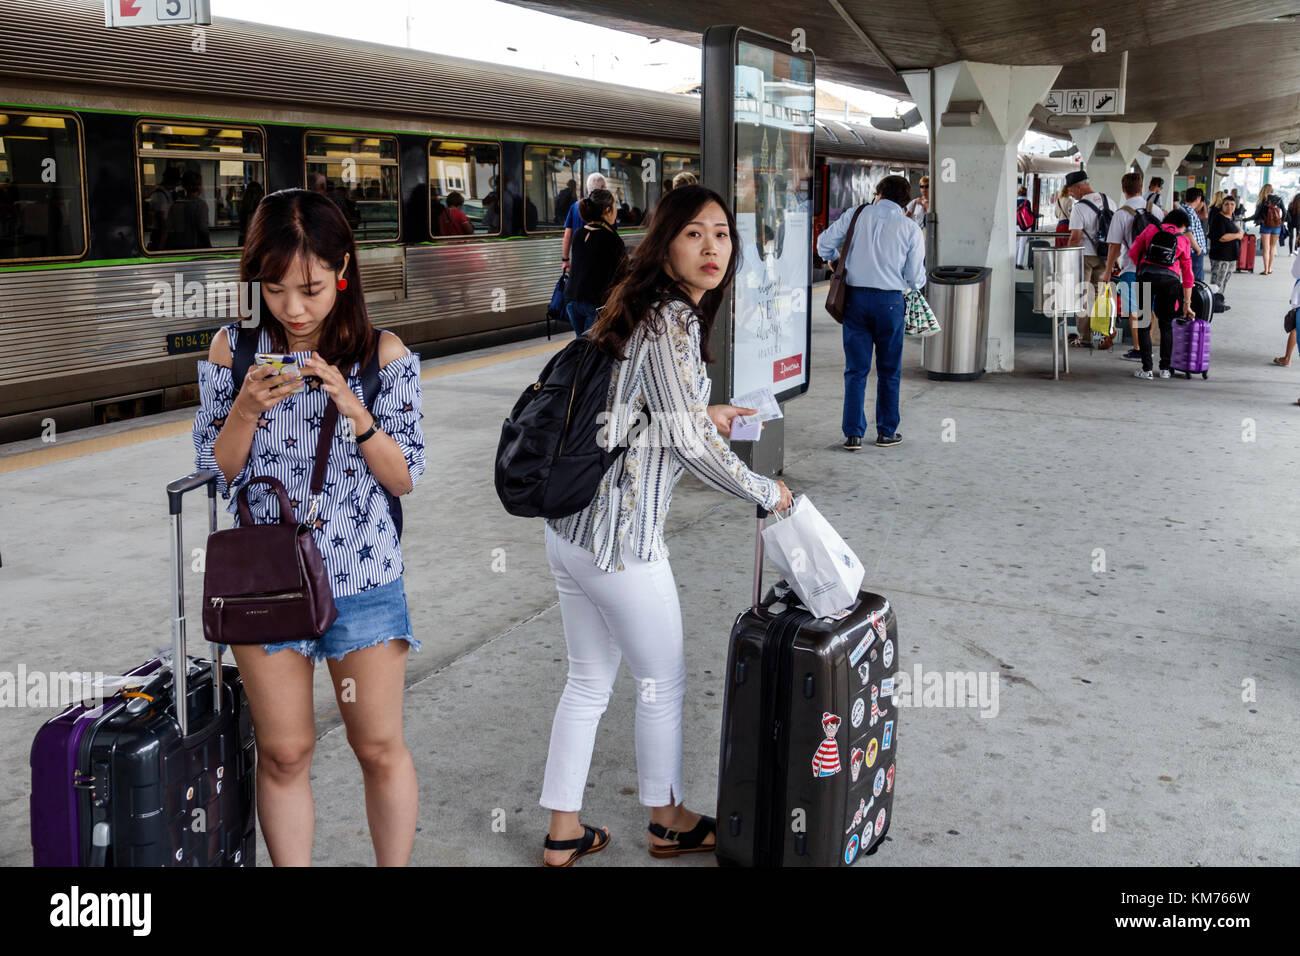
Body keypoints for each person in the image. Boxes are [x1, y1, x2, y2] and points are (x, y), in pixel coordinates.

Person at [539, 184, 793, 866]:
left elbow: (636, 416)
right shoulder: (672, 320)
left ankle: (564, 829)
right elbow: (686, 447)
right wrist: (766, 491)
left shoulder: (638, 305)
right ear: (667, 244)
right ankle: (668, 820)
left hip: (570, 531)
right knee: (662, 681)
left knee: (588, 681)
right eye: (694, 235)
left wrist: (706, 415)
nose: (712, 247)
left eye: (721, 234)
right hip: (623, 541)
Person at [192, 188, 426, 866]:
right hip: (265, 578)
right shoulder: (231, 352)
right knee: (286, 750)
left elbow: (404, 475)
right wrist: (243, 410)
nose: (293, 308)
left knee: (378, 747)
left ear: (343, 270)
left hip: (362, 575)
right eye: (274, 288)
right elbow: (216, 471)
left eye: (311, 288)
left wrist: (355, 409)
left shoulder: (383, 355)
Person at [816, 175, 925, 449]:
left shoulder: (856, 214)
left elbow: (823, 243)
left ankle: (853, 434)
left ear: (878, 193)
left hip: (855, 301)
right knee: (889, 370)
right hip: (890, 303)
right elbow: (915, 278)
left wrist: (834, 262)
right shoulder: (910, 228)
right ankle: (886, 432)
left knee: (856, 370)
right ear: (904, 201)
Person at [1128, 206, 1196, 380]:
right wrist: (1187, 303)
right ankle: (1165, 369)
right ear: (1183, 225)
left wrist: (1142, 267)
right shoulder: (1183, 240)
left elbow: (1133, 252)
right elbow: (1188, 274)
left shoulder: (1151, 229)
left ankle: (1147, 369)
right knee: (1166, 324)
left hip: (1145, 277)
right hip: (1170, 282)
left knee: (1144, 323)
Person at [1106, 171, 1156, 359]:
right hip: (1153, 268)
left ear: (1123, 189)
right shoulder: (1155, 210)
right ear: (1142, 188)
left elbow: (1114, 247)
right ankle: (1147, 348)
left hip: (1131, 268)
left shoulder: (1121, 214)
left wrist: (1108, 270)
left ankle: (1138, 349)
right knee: (1148, 309)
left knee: (1134, 311)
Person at [563, 188, 625, 336]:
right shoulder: (612, 239)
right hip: (594, 303)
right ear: (608, 209)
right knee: (592, 350)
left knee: (582, 345)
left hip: (572, 300)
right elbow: (620, 276)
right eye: (615, 206)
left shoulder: (579, 233)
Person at [1065, 169, 1113, 348]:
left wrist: (1068, 259)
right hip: (1105, 256)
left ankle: (1085, 338)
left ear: (1078, 187)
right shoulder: (1110, 202)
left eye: (1070, 190)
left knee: (1083, 297)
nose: (1070, 194)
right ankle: (1101, 336)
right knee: (1101, 296)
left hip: (1085, 256)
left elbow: (1075, 237)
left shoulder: (1079, 208)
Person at [561, 172, 608, 274]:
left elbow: (567, 235)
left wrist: (565, 260)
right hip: (598, 265)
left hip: (577, 263)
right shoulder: (605, 208)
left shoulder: (575, 206)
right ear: (603, 187)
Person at [1208, 196, 1245, 299]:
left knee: (1224, 280)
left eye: (1232, 204)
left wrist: (1239, 231)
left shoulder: (1230, 218)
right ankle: (1212, 301)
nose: (1229, 207)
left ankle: (1219, 300)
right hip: (1221, 256)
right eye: (1226, 204)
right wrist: (1238, 235)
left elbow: (1234, 228)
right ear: (1222, 206)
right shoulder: (1219, 219)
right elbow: (1222, 237)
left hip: (1231, 256)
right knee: (1217, 281)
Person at [164, 170, 211, 250]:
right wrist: (209, 247)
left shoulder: (175, 205)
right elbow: (203, 230)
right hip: (195, 249)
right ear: (199, 186)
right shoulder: (200, 205)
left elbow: (169, 229)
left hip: (177, 248)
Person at [1251, 183, 1286, 275]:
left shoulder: (1263, 200)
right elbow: (1285, 212)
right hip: (1276, 227)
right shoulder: (1279, 199)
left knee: (1266, 249)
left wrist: (1246, 219)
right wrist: (1281, 222)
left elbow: (1256, 215)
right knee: (1272, 248)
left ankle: (1265, 270)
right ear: (1272, 190)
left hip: (1265, 226)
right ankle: (1270, 268)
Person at [1179, 186, 1208, 284]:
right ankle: (1193, 299)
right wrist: (1198, 249)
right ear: (1198, 198)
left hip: (1192, 251)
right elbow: (1188, 233)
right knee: (1196, 280)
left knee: (1192, 279)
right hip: (1194, 251)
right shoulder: (1189, 213)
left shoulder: (1185, 210)